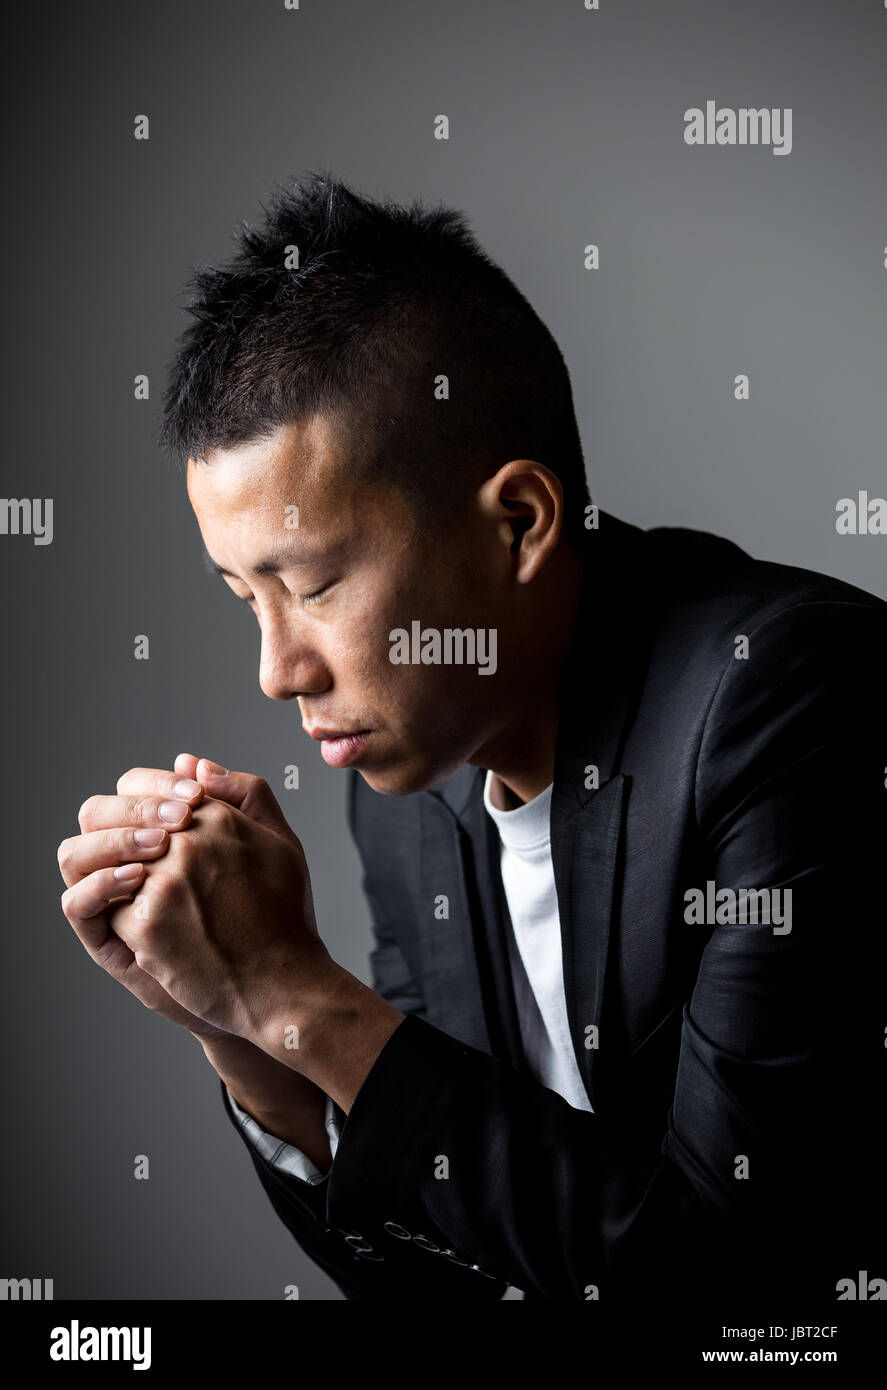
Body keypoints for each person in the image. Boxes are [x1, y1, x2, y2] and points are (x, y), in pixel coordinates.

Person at [57, 173, 886, 1314]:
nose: (277, 671)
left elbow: (743, 1293)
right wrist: (246, 1032)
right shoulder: (406, 789)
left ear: (519, 523)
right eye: (242, 597)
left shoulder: (787, 698)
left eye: (312, 585)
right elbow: (445, 1268)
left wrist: (299, 991)